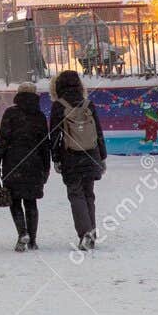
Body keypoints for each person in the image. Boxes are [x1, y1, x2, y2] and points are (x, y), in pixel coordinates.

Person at [49, 69, 106, 250]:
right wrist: (102, 156)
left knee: (76, 194)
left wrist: (56, 158)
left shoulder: (59, 106)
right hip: (91, 154)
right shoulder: (88, 104)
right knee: (89, 194)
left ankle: (85, 233)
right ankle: (92, 232)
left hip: (70, 157)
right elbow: (98, 132)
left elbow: (55, 135)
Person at [0, 83, 51, 250]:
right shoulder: (39, 116)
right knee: (31, 202)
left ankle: (22, 233)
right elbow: (45, 144)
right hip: (35, 163)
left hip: (13, 162)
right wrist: (46, 167)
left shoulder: (10, 113)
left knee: (15, 201)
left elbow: (2, 139)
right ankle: (32, 239)